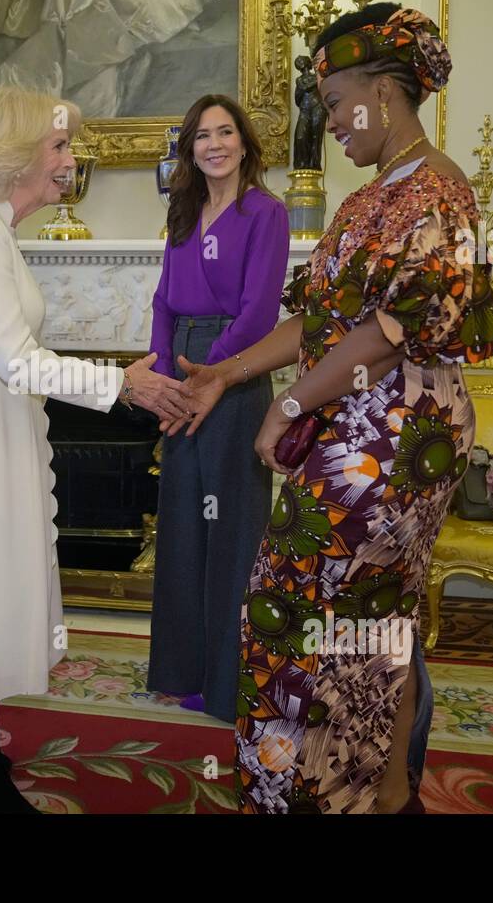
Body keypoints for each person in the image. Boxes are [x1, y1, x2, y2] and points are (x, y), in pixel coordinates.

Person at [171, 4, 493, 813]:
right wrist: (227, 372)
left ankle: (325, 792)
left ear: (384, 92)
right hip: (363, 431)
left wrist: (283, 408)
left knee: (304, 616)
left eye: (333, 104)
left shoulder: (436, 191)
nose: (326, 124)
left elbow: (388, 332)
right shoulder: (369, 200)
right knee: (370, 623)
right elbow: (318, 323)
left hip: (395, 436)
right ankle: (380, 793)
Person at [0, 84, 193, 813]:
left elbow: (13, 353)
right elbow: (18, 360)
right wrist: (119, 383)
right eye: (60, 145)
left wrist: (113, 379)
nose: (70, 158)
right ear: (22, 154)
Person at [145, 94, 289, 723]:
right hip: (179, 373)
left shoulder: (267, 212)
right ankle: (181, 671)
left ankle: (230, 686)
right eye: (201, 135)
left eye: (224, 132)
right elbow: (161, 303)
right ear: (189, 148)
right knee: (182, 527)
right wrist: (160, 377)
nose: (214, 144)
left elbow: (260, 313)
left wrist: (211, 377)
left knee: (232, 535)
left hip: (233, 374)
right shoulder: (182, 214)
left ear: (243, 142)